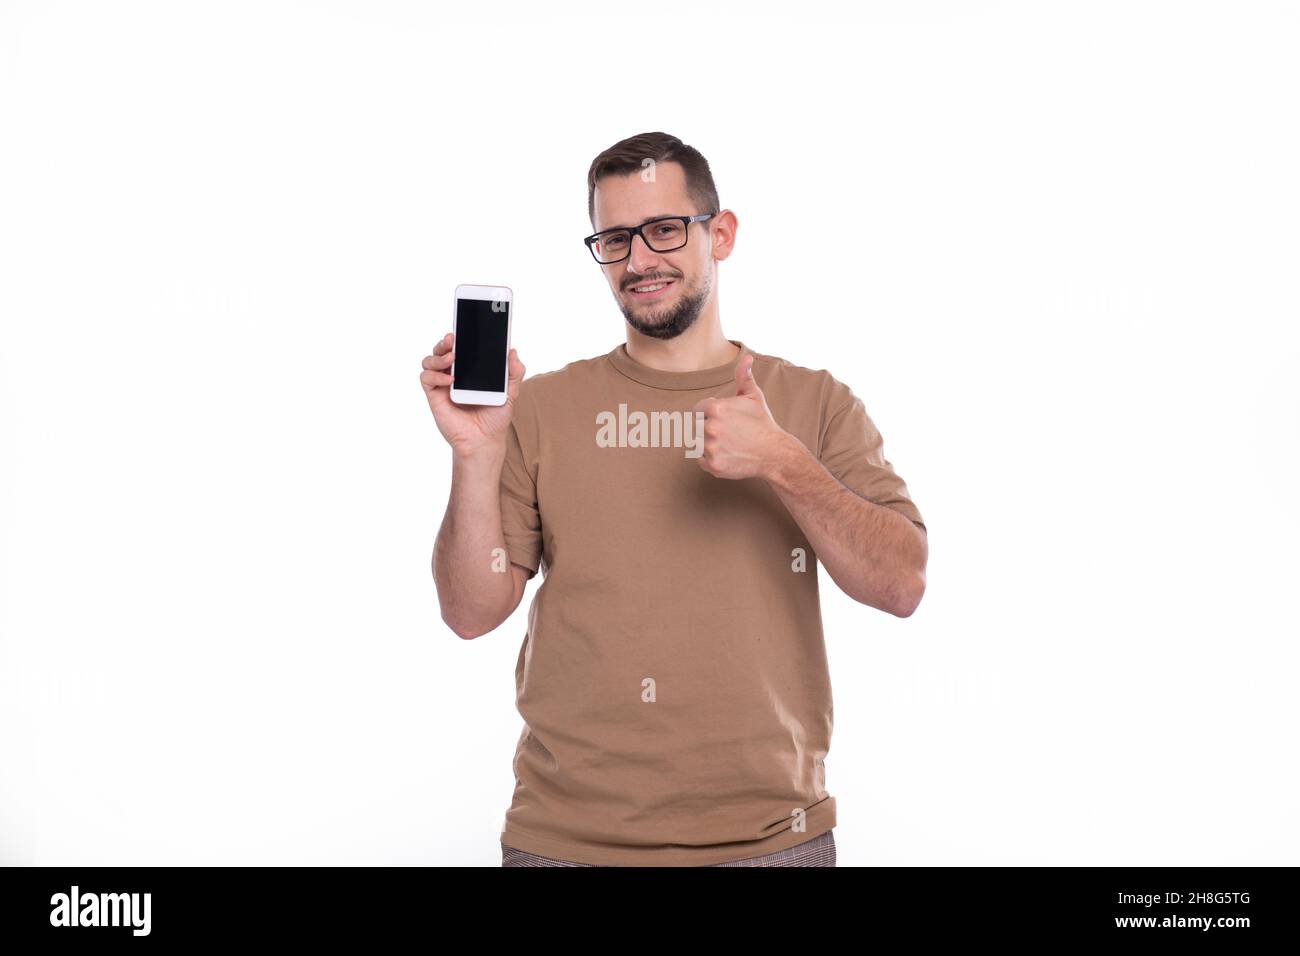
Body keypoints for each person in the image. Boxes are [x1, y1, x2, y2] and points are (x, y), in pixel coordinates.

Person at [421, 132, 927, 867]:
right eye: (616, 238)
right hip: (567, 843)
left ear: (719, 235)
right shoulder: (539, 408)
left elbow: (903, 583)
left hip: (770, 842)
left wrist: (783, 461)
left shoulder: (813, 403)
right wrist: (475, 454)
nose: (639, 260)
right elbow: (470, 613)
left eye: (663, 229)